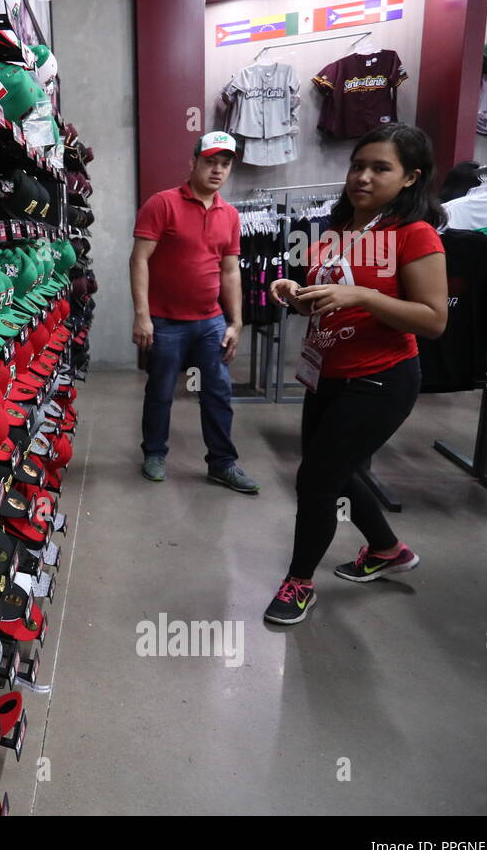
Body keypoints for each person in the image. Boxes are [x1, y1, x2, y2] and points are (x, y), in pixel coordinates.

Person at [264, 123, 448, 625]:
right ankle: (388, 549)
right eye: (357, 165)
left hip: (382, 377)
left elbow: (434, 320)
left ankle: (299, 581)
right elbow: (328, 298)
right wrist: (294, 291)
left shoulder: (415, 234)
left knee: (316, 481)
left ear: (411, 177)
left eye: (379, 168)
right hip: (327, 372)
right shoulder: (338, 230)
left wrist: (364, 296)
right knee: (338, 471)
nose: (362, 176)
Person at [129, 131, 259, 493]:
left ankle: (223, 463)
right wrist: (143, 314)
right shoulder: (162, 204)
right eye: (210, 162)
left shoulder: (229, 215)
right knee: (161, 391)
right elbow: (139, 260)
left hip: (209, 322)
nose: (217, 170)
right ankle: (154, 453)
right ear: (194, 162)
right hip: (166, 322)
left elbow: (230, 270)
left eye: (225, 164)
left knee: (217, 392)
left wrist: (236, 320)